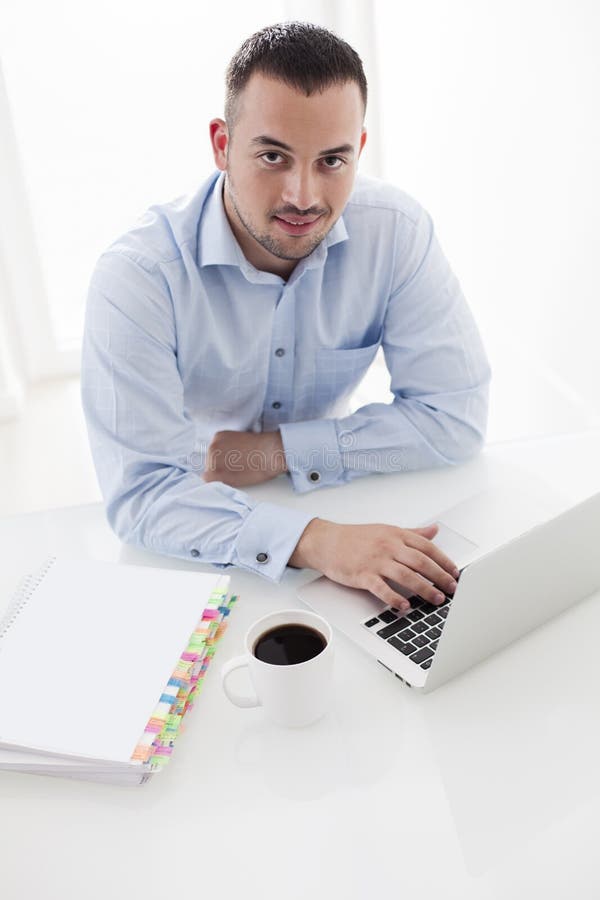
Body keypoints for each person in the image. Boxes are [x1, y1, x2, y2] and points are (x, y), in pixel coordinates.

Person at [81, 21, 491, 613]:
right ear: (222, 144)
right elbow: (144, 493)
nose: (303, 195)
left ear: (360, 150)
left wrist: (273, 453)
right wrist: (316, 540)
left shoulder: (395, 232)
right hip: (198, 521)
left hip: (315, 487)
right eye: (273, 156)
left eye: (331, 160)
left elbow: (456, 416)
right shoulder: (138, 277)